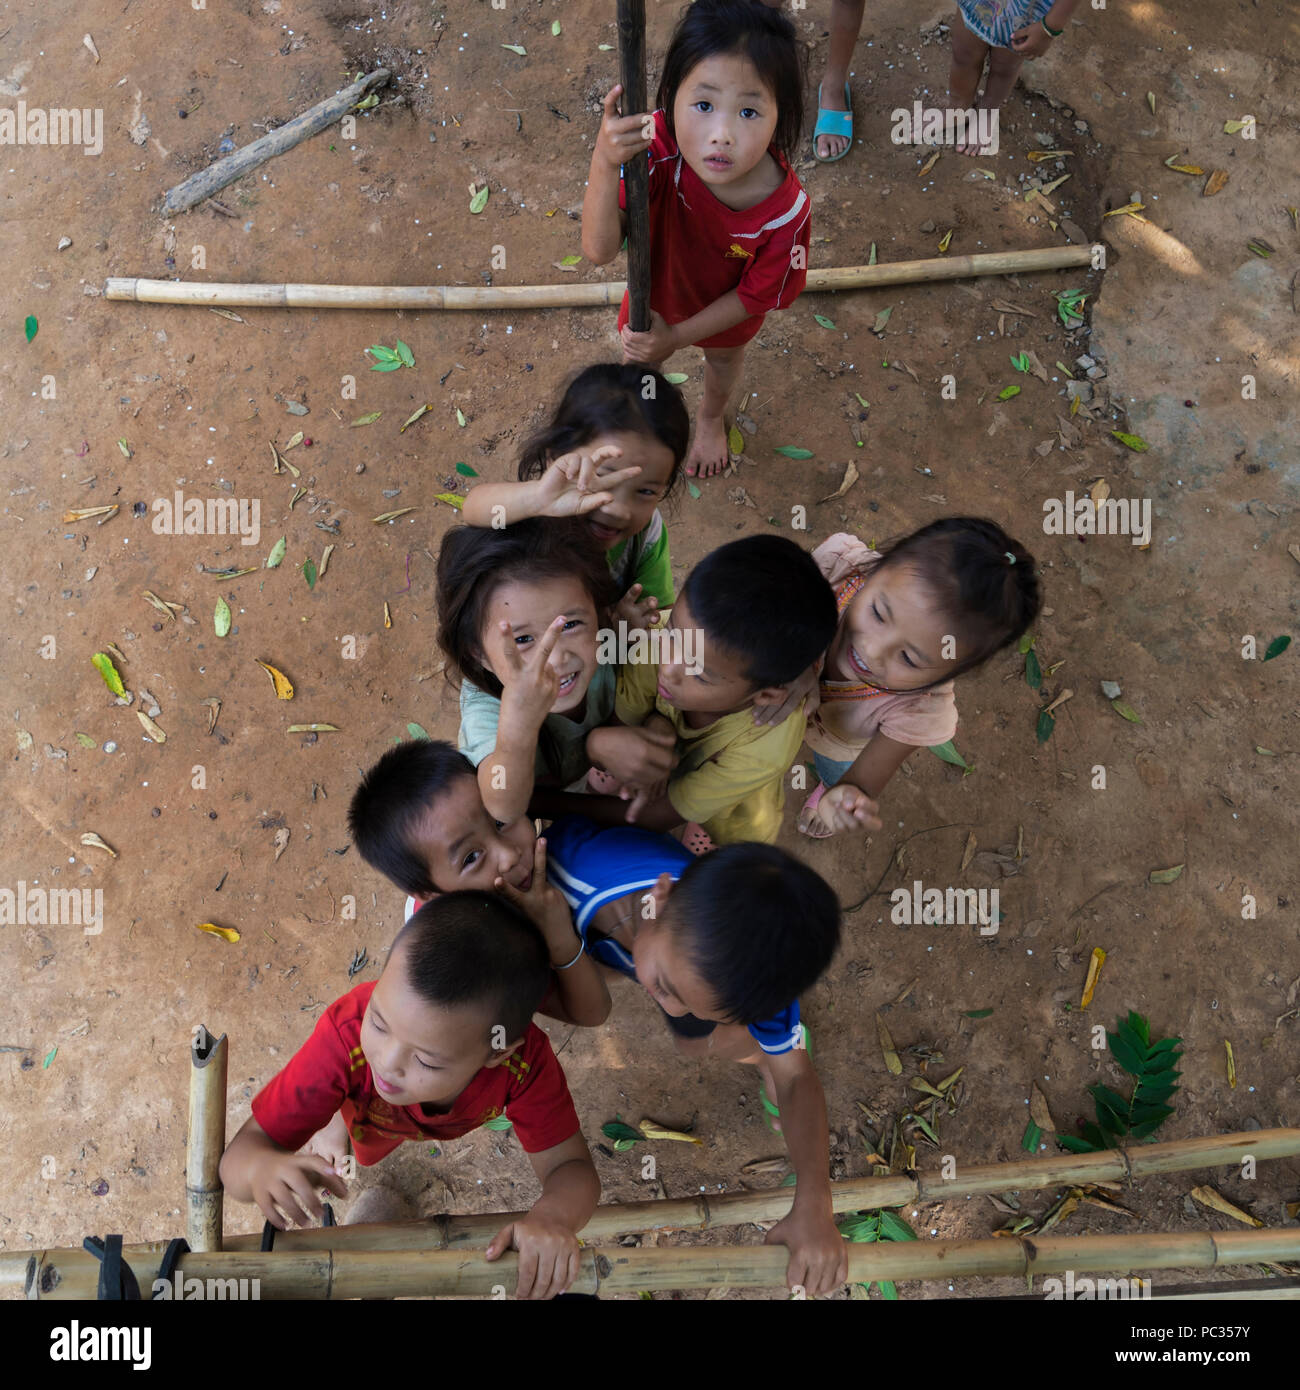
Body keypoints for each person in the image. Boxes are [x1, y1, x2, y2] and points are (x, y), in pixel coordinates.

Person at [218, 892, 601, 1299]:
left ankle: (334, 1111)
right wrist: (259, 1169)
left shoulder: (524, 1066)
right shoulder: (347, 1035)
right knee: (357, 1133)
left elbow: (572, 1169)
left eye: (427, 1061)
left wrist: (553, 1216)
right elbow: (237, 1163)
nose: (387, 1061)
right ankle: (331, 1117)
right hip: (364, 1103)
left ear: (497, 1052)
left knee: (366, 1119)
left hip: (391, 1111)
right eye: (380, 1022)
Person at [543, 813, 848, 1297]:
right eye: (665, 988)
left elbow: (797, 1080)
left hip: (640, 942)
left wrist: (816, 1202)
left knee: (710, 1042)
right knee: (680, 1033)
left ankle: (770, 1048)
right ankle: (763, 1046)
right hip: (592, 917)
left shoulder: (743, 969)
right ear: (661, 896)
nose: (669, 1005)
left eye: (690, 1003)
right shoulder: (565, 882)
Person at [581, 0, 809, 480]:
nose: (721, 134)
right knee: (642, 367)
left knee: (723, 363)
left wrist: (681, 336)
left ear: (780, 115)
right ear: (670, 96)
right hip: (655, 303)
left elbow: (755, 296)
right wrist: (605, 161)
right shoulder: (656, 150)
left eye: (749, 110)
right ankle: (642, 426)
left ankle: (708, 418)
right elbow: (599, 250)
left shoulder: (786, 212)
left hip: (724, 316)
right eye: (703, 105)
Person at [535, 534, 838, 853]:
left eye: (699, 673)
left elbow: (650, 818)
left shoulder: (765, 748)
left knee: (724, 829)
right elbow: (620, 721)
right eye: (671, 634)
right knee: (625, 768)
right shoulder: (663, 646)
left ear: (765, 695)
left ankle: (705, 822)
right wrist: (648, 728)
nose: (668, 667)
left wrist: (534, 803)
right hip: (672, 764)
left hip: (731, 808)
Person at [797, 519, 1042, 837]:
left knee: (834, 769)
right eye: (879, 613)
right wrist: (797, 668)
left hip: (837, 746)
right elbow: (777, 615)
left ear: (949, 672)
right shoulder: (836, 571)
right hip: (776, 710)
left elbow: (865, 779)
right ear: (878, 566)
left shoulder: (919, 709)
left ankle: (826, 783)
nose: (871, 649)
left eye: (909, 658)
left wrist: (846, 795)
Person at [348, 738, 610, 1025]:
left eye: (499, 822)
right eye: (471, 857)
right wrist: (560, 941)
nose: (509, 855)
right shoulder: (485, 957)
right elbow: (592, 1012)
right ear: (431, 894)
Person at [435, 517, 674, 826]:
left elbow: (668, 686)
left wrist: (658, 729)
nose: (557, 658)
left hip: (605, 775)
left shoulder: (610, 641)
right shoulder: (486, 708)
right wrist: (519, 723)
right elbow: (504, 807)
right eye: (522, 639)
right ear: (478, 653)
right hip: (563, 809)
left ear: (601, 612)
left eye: (571, 625)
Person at [462, 363, 689, 619]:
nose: (618, 509)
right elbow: (471, 510)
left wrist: (627, 627)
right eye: (602, 478)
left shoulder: (646, 538)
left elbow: (658, 612)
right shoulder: (532, 512)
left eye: (646, 491)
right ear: (554, 458)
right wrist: (537, 499)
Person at [950, 0, 1084, 155]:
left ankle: (987, 111)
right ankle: (957, 108)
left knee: (1004, 67)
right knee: (963, 53)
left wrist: (1049, 29)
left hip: (1026, 8)